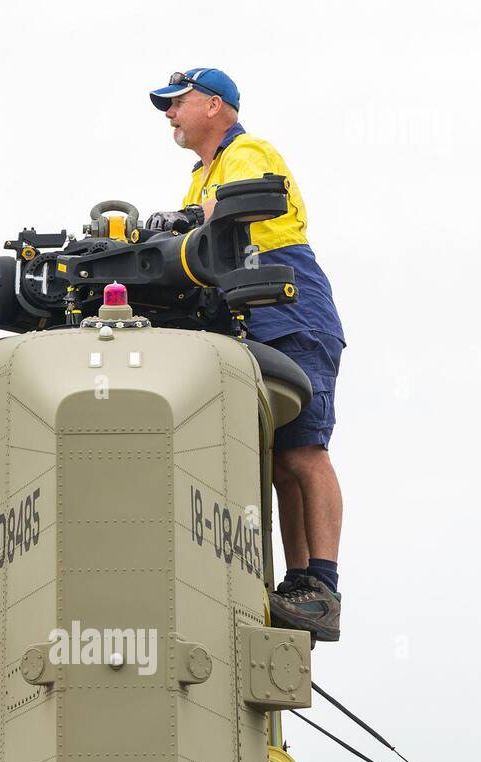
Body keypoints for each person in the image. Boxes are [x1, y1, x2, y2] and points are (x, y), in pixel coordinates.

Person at [147, 67, 346, 642]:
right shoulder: (199, 176)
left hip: (289, 303)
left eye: (177, 103)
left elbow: (234, 212)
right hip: (250, 311)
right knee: (282, 461)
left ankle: (324, 586)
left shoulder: (248, 150)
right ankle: (300, 583)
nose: (169, 114)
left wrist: (180, 223)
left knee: (306, 449)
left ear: (214, 105)